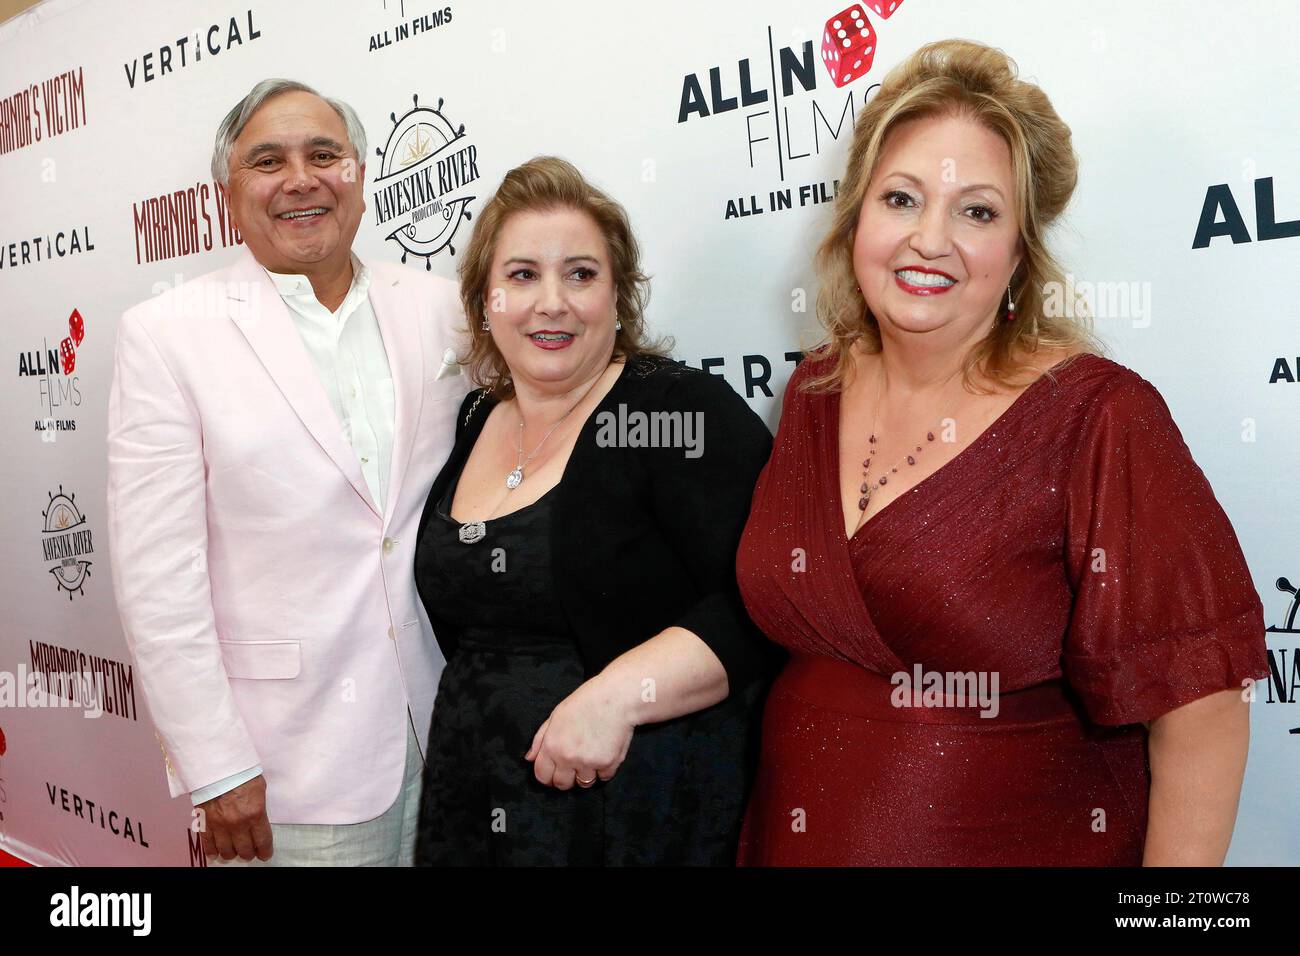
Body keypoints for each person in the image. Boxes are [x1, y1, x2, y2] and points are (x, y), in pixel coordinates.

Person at [734, 39, 1269, 866]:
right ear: (856, 219)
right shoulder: (814, 389)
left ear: (1020, 253)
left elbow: (1203, 710)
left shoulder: (1099, 416)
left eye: (977, 212)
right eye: (902, 199)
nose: (929, 240)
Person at [106, 79, 470, 865]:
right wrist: (216, 765)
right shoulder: (167, 335)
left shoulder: (446, 308)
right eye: (268, 161)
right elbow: (158, 576)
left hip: (456, 733)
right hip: (288, 770)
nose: (301, 178)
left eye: (324, 154)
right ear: (228, 194)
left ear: (361, 173)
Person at [412, 156, 773, 865]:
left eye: (581, 274)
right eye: (522, 275)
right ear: (484, 300)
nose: (552, 302)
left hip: (632, 813)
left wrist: (619, 695)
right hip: (473, 802)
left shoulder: (675, 410)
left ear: (618, 296)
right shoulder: (476, 417)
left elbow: (763, 603)